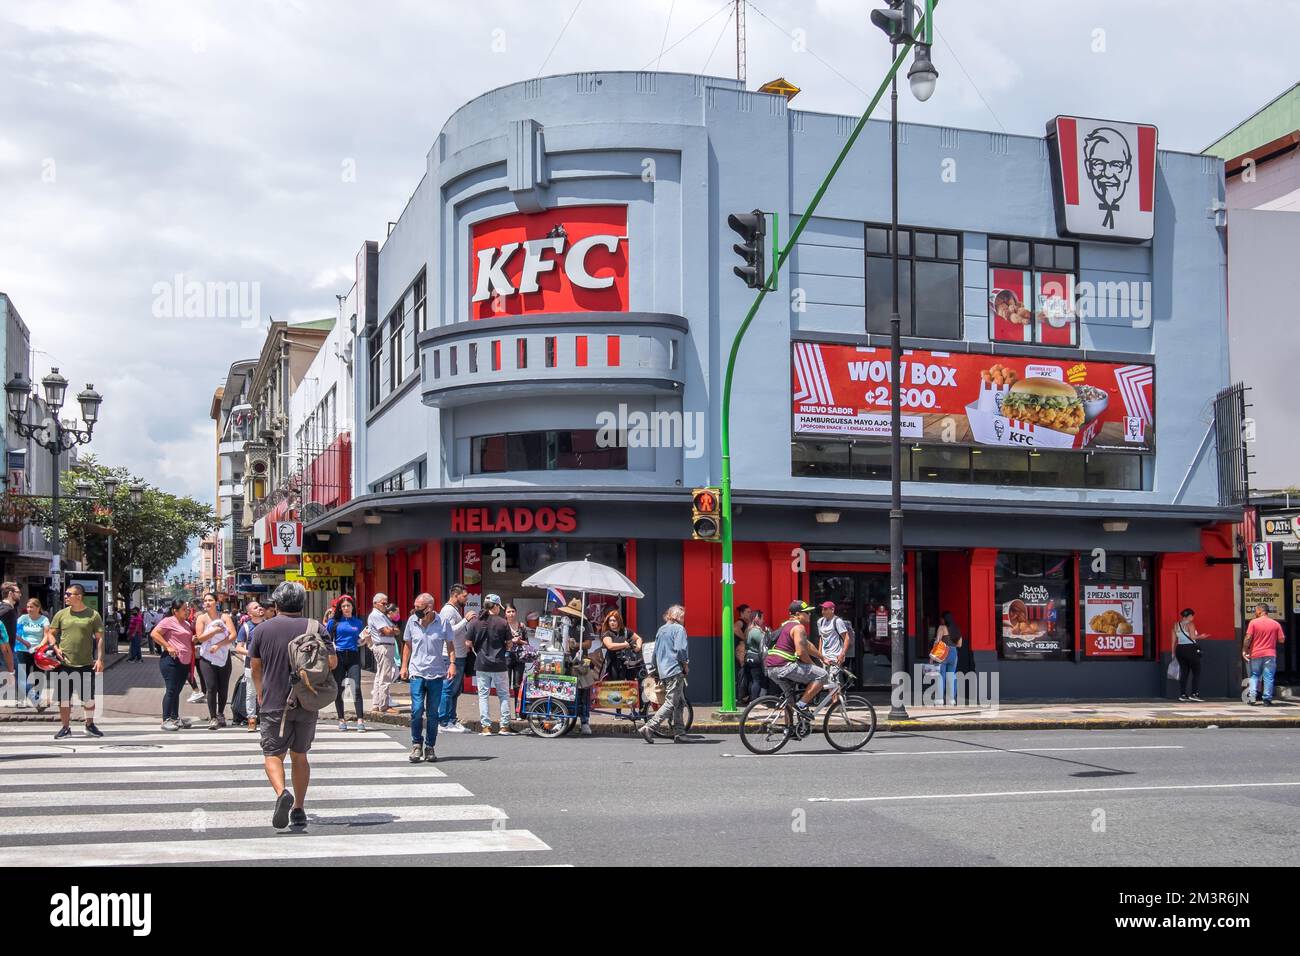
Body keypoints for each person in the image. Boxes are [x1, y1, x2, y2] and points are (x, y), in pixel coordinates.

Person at [250, 580, 337, 830]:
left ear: (276, 603)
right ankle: (299, 808)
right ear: (302, 603)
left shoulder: (263, 630)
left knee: (272, 754)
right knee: (300, 755)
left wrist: (260, 692)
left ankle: (281, 793)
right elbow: (331, 661)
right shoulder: (315, 627)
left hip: (274, 701)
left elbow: (256, 666)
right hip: (307, 701)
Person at [42, 583, 105, 739]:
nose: (66, 597)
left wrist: (99, 659)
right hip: (64, 664)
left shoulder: (93, 615)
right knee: (64, 698)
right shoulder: (61, 614)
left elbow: (100, 638)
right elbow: (50, 633)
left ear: (79, 596)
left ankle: (89, 725)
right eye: (66, 594)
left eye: (69, 594)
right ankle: (65, 727)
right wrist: (55, 647)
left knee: (88, 698)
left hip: (85, 663)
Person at [400, 592, 453, 761]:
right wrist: (404, 666)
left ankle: (430, 746)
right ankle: (416, 744)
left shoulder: (443, 622)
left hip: (437, 674)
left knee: (432, 713)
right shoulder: (412, 621)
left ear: (429, 607)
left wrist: (452, 664)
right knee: (416, 710)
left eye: (418, 607)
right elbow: (407, 645)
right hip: (417, 673)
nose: (415, 610)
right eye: (415, 607)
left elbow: (450, 645)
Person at [762, 600, 831, 715]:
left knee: (789, 700)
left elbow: (807, 645)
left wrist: (823, 658)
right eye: (806, 612)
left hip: (771, 668)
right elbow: (801, 652)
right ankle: (801, 705)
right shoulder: (799, 627)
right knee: (822, 675)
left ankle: (788, 729)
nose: (809, 615)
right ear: (798, 614)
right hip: (784, 667)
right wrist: (812, 666)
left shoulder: (786, 625)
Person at [639, 605, 689, 743]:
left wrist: (655, 669)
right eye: (683, 617)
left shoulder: (661, 630)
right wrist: (685, 665)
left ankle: (679, 733)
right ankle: (650, 727)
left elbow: (655, 653)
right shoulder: (679, 629)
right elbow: (680, 649)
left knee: (679, 702)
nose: (684, 620)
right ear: (677, 617)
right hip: (675, 669)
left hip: (663, 671)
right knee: (671, 702)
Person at [471, 594, 515, 735]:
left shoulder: (476, 622)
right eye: (498, 607)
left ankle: (486, 727)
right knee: (503, 695)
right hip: (499, 664)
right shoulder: (503, 622)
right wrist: (506, 650)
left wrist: (478, 652)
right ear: (495, 606)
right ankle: (504, 726)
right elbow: (509, 643)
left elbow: (468, 642)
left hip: (482, 664)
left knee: (483, 695)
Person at [194, 592, 238, 729]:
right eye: (205, 600)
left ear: (216, 602)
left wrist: (218, 645)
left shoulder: (224, 616)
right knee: (211, 687)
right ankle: (213, 717)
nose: (207, 603)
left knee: (223, 688)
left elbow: (233, 635)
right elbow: (200, 638)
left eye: (210, 600)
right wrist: (215, 631)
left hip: (224, 656)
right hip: (207, 658)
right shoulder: (201, 618)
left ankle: (220, 714)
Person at [437, 584, 477, 732]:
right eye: (464, 596)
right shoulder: (448, 611)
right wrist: (465, 621)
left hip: (459, 654)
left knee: (455, 690)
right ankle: (444, 721)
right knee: (448, 689)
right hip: (450, 656)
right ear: (455, 595)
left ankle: (452, 719)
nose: (466, 599)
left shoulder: (454, 610)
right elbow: (448, 632)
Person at [151, 600, 196, 731]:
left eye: (187, 608)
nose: (187, 611)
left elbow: (187, 639)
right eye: (184, 609)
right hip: (171, 661)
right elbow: (154, 634)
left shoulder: (186, 623)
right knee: (171, 690)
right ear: (175, 611)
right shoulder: (168, 621)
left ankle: (175, 718)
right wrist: (168, 646)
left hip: (185, 661)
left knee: (177, 690)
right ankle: (166, 719)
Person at [557, 597, 599, 735]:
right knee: (564, 691)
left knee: (584, 692)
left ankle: (585, 721)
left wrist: (577, 644)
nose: (571, 615)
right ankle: (562, 719)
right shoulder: (564, 622)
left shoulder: (585, 624)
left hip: (581, 662)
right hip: (565, 660)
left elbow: (589, 643)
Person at [325, 595, 367, 731]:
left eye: (348, 606)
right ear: (340, 608)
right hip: (339, 656)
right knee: (339, 688)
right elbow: (327, 640)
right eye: (343, 606)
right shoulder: (334, 622)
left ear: (353, 607)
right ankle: (341, 719)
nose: (346, 608)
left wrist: (364, 640)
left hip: (353, 655)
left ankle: (360, 719)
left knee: (356, 687)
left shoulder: (358, 622)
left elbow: (360, 640)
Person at [366, 592, 400, 717]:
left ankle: (376, 704)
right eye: (383, 603)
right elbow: (387, 631)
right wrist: (392, 630)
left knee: (380, 676)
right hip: (383, 646)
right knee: (385, 676)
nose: (386, 606)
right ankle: (384, 705)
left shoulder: (381, 615)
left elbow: (395, 629)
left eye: (386, 603)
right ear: (375, 603)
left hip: (385, 646)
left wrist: (392, 630)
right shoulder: (376, 615)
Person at [1244, 603, 1285, 706]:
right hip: (1270, 654)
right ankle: (1267, 699)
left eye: (1255, 611)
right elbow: (1282, 640)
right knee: (1268, 676)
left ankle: (1252, 697)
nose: (1255, 613)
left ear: (1259, 611)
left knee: (1255, 675)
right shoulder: (1276, 624)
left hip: (1256, 653)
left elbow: (1248, 638)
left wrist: (1245, 649)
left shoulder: (1253, 623)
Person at [233, 600, 265, 732]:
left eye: (260, 606)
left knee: (268, 692)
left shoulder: (269, 625)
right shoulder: (246, 627)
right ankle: (251, 719)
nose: (260, 608)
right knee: (251, 693)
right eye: (255, 607)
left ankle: (266, 718)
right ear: (249, 613)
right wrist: (253, 653)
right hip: (251, 665)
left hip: (268, 665)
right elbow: (238, 648)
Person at [14, 597, 49, 711]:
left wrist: (40, 645)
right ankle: (20, 700)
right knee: (22, 676)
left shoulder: (44, 620)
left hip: (37, 651)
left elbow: (47, 635)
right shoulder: (23, 618)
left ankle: (37, 699)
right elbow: (15, 633)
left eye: (31, 607)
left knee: (39, 675)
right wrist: (25, 642)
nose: (29, 609)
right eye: (28, 607)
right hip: (22, 649)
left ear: (38, 608)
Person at [600, 608, 643, 681]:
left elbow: (639, 638)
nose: (612, 623)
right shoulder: (607, 633)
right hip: (612, 664)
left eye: (614, 620)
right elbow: (610, 646)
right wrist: (624, 645)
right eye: (610, 621)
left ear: (619, 621)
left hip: (627, 663)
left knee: (630, 685)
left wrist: (638, 647)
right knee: (615, 686)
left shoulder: (626, 631)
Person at [1173, 607, 1205, 702]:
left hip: (1180, 649)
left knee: (1184, 672)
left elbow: (1174, 639)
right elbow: (1193, 637)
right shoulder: (1190, 624)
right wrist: (1201, 636)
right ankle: (1194, 694)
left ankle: (1182, 694)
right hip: (1190, 649)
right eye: (1192, 616)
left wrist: (1172, 652)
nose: (1193, 618)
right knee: (1196, 671)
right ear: (1189, 616)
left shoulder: (1176, 625)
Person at [934, 610, 963, 705]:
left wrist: (932, 656)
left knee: (940, 676)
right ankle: (951, 699)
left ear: (943, 619)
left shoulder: (942, 627)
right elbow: (960, 645)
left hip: (943, 652)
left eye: (941, 618)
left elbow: (937, 642)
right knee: (951, 676)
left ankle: (939, 699)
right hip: (954, 653)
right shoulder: (957, 629)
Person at [742, 608, 768, 705]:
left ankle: (752, 701)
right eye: (762, 618)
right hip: (756, 656)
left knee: (752, 680)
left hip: (748, 656)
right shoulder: (756, 631)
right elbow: (765, 642)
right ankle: (755, 702)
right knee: (757, 680)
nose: (763, 620)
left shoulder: (749, 629)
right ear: (757, 618)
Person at [504, 605, 528, 705]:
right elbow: (498, 641)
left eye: (513, 611)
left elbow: (527, 642)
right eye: (509, 611)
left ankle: (518, 711)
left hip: (519, 658)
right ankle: (505, 712)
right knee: (505, 685)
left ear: (516, 612)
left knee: (517, 685)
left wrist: (519, 641)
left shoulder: (521, 626)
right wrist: (509, 641)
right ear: (505, 613)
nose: (511, 614)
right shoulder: (502, 625)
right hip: (506, 657)